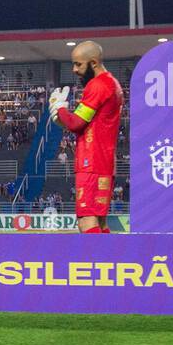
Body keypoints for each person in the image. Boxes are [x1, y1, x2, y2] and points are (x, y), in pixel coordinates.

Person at [48, 41, 123, 233]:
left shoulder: (98, 85)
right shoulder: (113, 83)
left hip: (91, 163)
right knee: (101, 221)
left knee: (86, 221)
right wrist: (63, 117)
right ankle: (111, 261)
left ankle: (96, 262)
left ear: (94, 63)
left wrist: (60, 108)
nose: (74, 69)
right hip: (104, 162)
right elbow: (86, 123)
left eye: (78, 64)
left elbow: (76, 124)